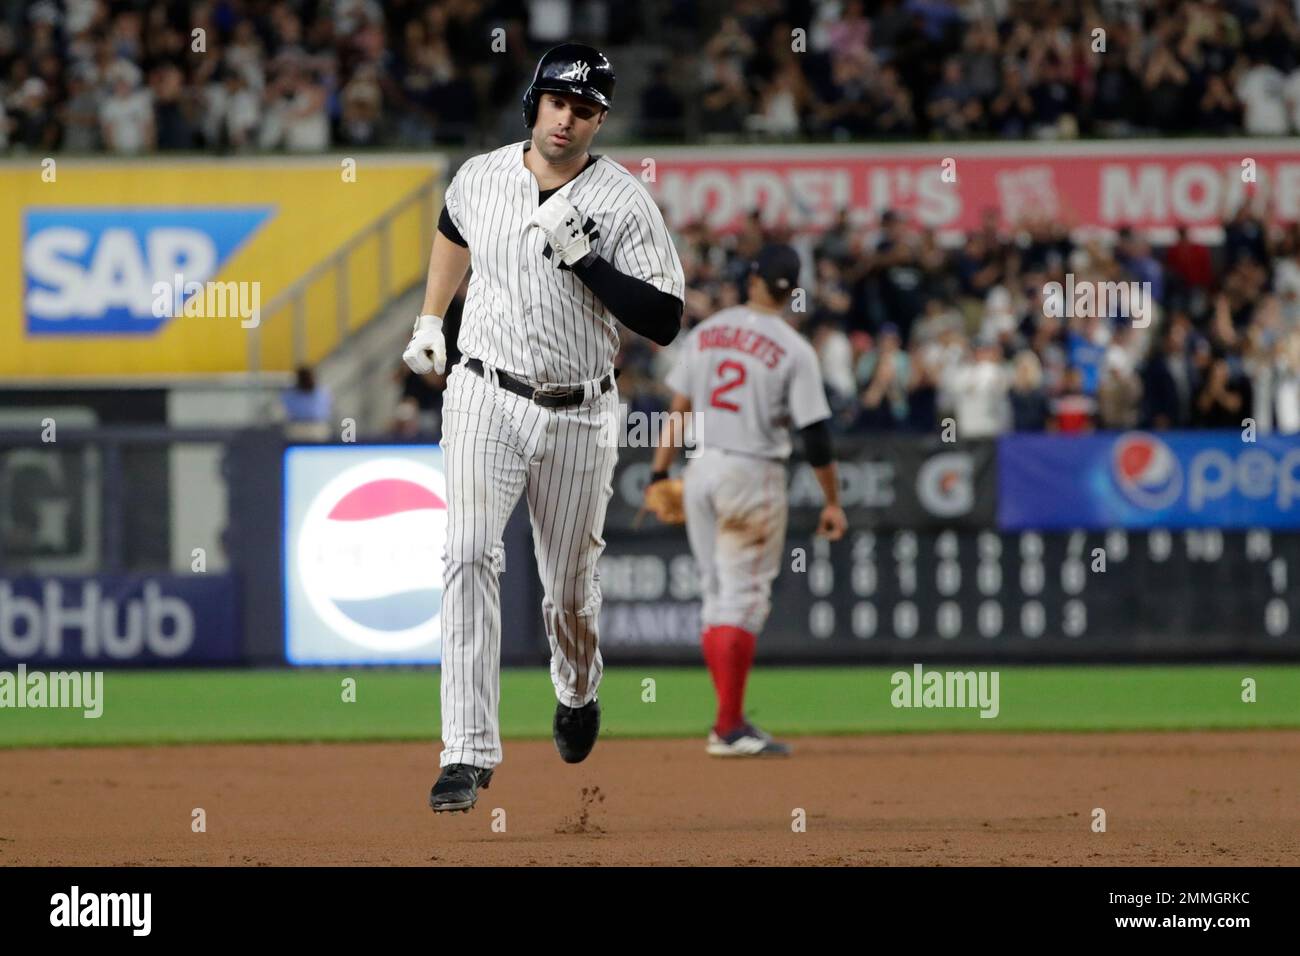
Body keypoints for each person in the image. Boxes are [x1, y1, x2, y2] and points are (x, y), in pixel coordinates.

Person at [402, 44, 685, 813]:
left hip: (580, 409)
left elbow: (664, 317)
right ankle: (466, 751)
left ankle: (578, 686)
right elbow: (454, 227)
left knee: (568, 593)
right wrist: (432, 316)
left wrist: (589, 262)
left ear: (600, 120)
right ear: (535, 101)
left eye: (585, 109)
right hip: (484, 390)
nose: (568, 118)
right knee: (465, 552)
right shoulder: (481, 175)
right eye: (558, 101)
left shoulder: (624, 200)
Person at [644, 244, 848, 757]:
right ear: (791, 289)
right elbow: (816, 436)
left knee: (716, 596)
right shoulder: (794, 348)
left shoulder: (708, 331)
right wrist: (832, 501)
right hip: (752, 473)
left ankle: (726, 723)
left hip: (701, 468)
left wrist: (658, 471)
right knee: (743, 599)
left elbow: (680, 408)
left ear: (753, 279)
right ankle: (729, 727)